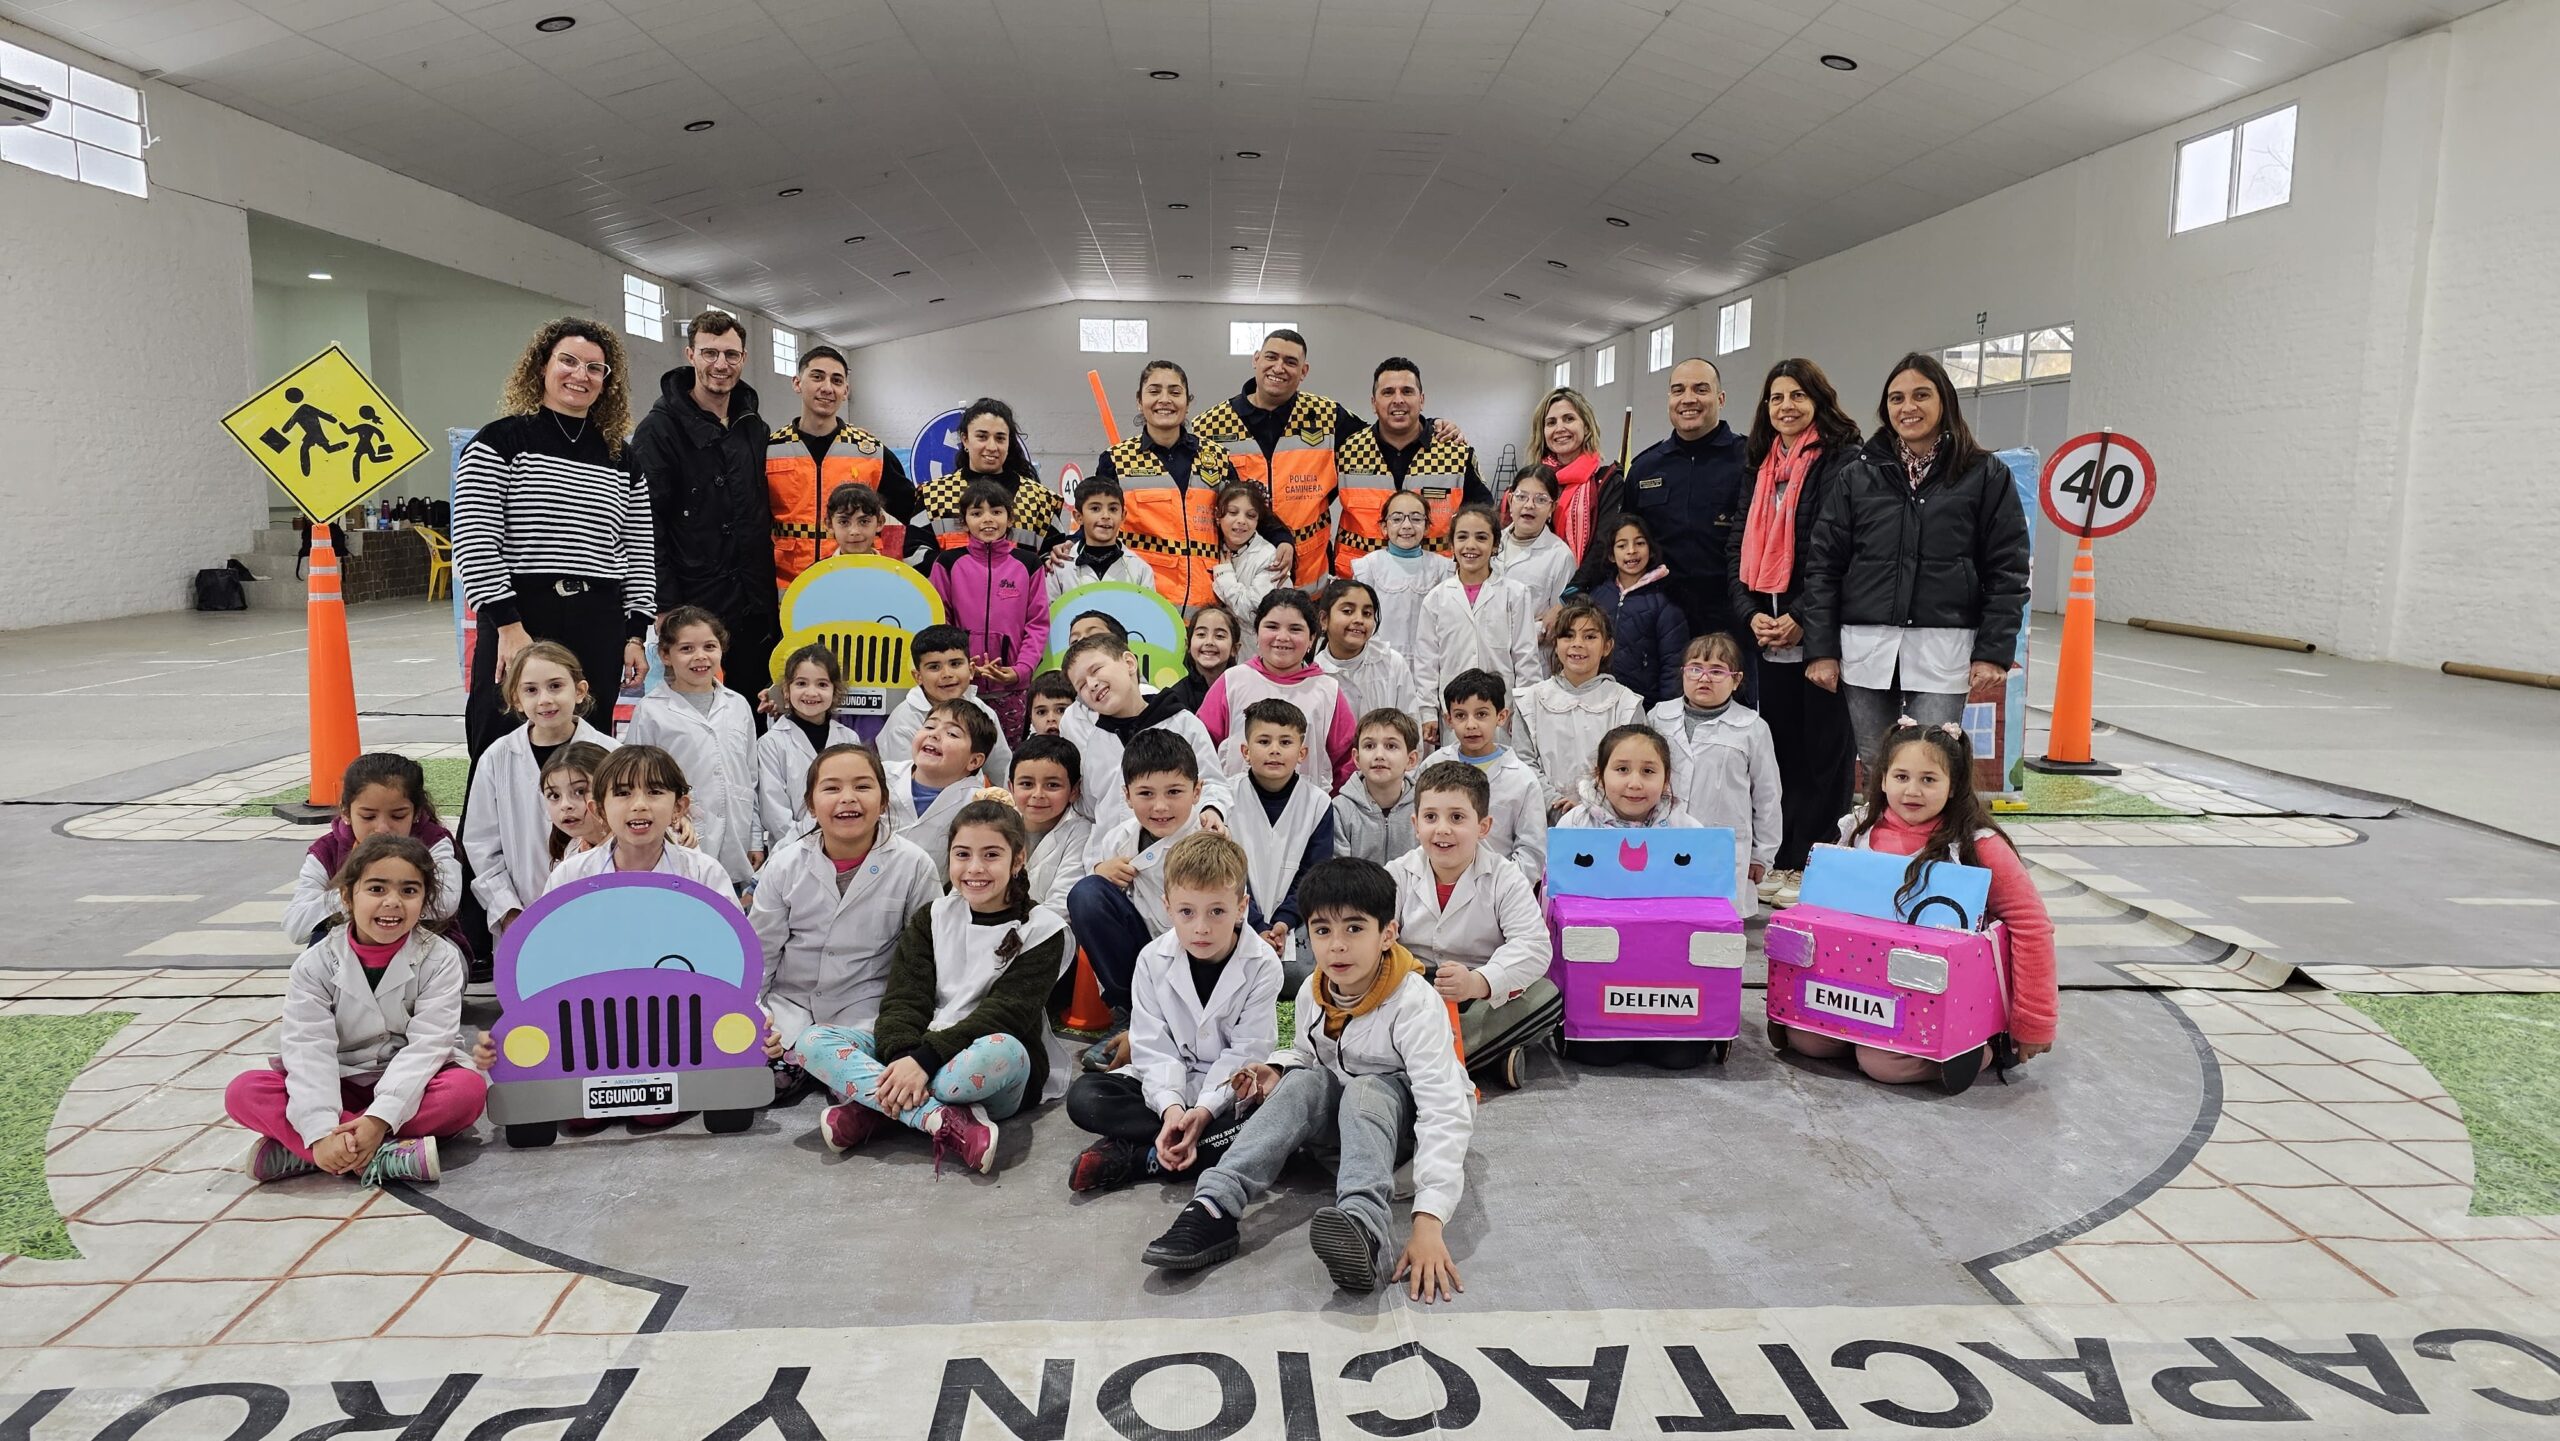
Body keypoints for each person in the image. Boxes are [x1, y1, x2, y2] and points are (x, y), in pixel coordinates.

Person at [1141, 857, 1470, 1301]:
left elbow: (1444, 1110)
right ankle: (1213, 1207)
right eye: (1322, 931)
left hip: (1401, 1142)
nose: (1337, 947)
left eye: (1354, 929)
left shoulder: (1415, 1004)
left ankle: (1363, 1226)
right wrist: (1274, 1069)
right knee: (1303, 1081)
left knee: (1366, 1087)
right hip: (1340, 1141)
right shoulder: (1314, 990)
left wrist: (1429, 1221)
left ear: (1387, 934)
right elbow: (1304, 1053)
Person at [802, 794, 1069, 1173]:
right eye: (962, 854)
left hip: (985, 1066)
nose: (974, 868)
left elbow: (1006, 1015)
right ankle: (939, 1120)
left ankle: (876, 1108)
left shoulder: (1044, 930)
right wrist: (901, 1060)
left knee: (999, 1050)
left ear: (1018, 859)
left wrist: (923, 1063)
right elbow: (903, 998)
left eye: (991, 855)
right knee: (811, 1042)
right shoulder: (933, 916)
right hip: (918, 1052)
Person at [1789, 721, 2056, 1084]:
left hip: (1943, 994)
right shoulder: (1857, 831)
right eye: (1901, 776)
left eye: (1929, 779)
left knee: (1883, 1065)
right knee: (1807, 1039)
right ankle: (1863, 1038)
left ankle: (1985, 1047)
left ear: (1954, 786)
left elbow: (2031, 925)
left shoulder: (1978, 845)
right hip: (1861, 984)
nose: (1912, 791)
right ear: (1882, 779)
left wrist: (2033, 1021)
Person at [1802, 352, 2033, 771]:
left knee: (1932, 766)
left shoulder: (1984, 474)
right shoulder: (1857, 475)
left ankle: (1936, 841)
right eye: (1896, 398)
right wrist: (1821, 649)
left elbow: (2008, 570)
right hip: (1865, 650)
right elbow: (1824, 566)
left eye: (1921, 395)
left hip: (1944, 650)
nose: (1908, 408)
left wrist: (1992, 652)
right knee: (1878, 766)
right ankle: (1882, 839)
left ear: (1944, 400)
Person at [227, 834, 483, 1186]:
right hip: (338, 1080)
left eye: (409, 891)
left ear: (425, 901)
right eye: (376, 889)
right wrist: (319, 1132)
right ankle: (366, 1153)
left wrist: (378, 1119)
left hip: (412, 1083)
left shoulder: (440, 959)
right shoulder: (314, 965)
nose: (392, 902)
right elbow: (307, 1050)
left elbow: (428, 1047)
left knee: (466, 1091)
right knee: (244, 1091)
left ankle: (309, 1152)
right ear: (347, 896)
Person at [453, 317, 652, 758]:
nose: (581, 375)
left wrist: (634, 634)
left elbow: (638, 550)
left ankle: (584, 831)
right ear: (543, 366)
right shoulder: (500, 441)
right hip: (521, 615)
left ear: (606, 381)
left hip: (598, 618)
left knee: (587, 750)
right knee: (503, 743)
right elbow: (474, 539)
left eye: (595, 368)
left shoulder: (622, 458)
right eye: (569, 361)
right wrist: (507, 626)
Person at [1065, 832, 1283, 1194]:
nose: (1201, 927)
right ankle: (1186, 1143)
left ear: (1241, 907)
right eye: (1186, 911)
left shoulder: (1263, 965)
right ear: (1167, 906)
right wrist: (1172, 1111)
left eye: (1217, 911)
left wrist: (1205, 1111)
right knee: (1085, 1097)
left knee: (1270, 1118)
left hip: (1228, 1093)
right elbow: (1152, 1048)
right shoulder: (1151, 959)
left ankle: (1140, 1158)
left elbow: (1249, 1052)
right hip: (1167, 1088)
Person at [1730, 359, 1863, 904]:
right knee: (1781, 747)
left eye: (1797, 396)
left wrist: (1803, 617)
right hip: (1769, 632)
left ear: (1819, 400)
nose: (1785, 406)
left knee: (1826, 750)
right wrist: (1749, 613)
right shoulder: (1759, 465)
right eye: (1776, 396)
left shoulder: (1843, 461)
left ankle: (1816, 858)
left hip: (1820, 632)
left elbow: (1843, 552)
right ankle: (1784, 858)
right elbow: (1736, 546)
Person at [751, 743, 943, 1107]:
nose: (848, 798)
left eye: (863, 786)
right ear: (810, 804)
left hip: (865, 1008)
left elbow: (925, 959)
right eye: (832, 787)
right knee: (760, 1085)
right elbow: (760, 951)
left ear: (884, 800)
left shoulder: (914, 865)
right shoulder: (785, 864)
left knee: (852, 1092)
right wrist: (756, 1016)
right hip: (790, 1004)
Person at [1572, 358, 1753, 698]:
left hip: (1729, 616)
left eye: (1701, 389)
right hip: (1660, 619)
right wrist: (1576, 593)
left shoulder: (1748, 460)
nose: (1688, 399)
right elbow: (1619, 541)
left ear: (1721, 398)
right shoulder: (1645, 467)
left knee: (1730, 716)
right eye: (1678, 390)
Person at [631, 310, 776, 715]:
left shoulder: (754, 426)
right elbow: (646, 522)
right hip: (693, 602)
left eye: (731, 354)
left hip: (754, 603)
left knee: (752, 712)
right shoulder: (657, 431)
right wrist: (665, 602)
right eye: (710, 353)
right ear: (690, 354)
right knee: (691, 712)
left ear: (743, 358)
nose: (720, 365)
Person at [1390, 760, 1556, 1087]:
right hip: (1416, 987)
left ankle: (1421, 1065)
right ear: (1415, 824)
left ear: (1483, 826)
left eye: (1457, 818)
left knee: (1547, 996)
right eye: (1430, 817)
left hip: (1480, 991)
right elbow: (1375, 939)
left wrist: (1477, 982)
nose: (1442, 829)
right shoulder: (1397, 873)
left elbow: (1534, 946)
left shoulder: (1505, 876)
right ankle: (1485, 1060)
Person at [1083, 361, 1289, 610]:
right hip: (1145, 604)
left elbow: (1244, 507)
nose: (1165, 399)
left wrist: (1282, 539)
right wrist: (1067, 546)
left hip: (1208, 609)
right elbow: (1097, 520)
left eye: (1175, 392)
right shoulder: (1117, 460)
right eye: (1154, 391)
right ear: (1139, 400)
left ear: (1188, 402)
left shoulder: (1216, 458)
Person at [1064, 730, 1223, 1049]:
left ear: (1197, 792)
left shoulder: (1213, 841)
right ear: (1126, 795)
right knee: (1087, 894)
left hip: (1200, 960)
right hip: (1143, 956)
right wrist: (1102, 871)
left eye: (1175, 791)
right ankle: (1131, 1013)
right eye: (1146, 793)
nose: (1160, 806)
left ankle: (1178, 1023)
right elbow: (1102, 905)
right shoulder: (1119, 838)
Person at [463, 643, 617, 938]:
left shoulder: (612, 754)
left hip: (604, 913)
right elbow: (482, 845)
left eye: (556, 686)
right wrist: (509, 912)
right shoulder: (497, 757)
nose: (545, 699)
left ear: (580, 690)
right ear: (516, 700)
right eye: (531, 690)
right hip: (524, 914)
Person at [618, 606, 757, 884]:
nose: (700, 657)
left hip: (737, 842)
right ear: (665, 655)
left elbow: (750, 777)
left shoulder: (738, 705)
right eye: (687, 649)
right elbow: (636, 780)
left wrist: (755, 838)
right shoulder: (651, 711)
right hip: (678, 837)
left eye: (709, 646)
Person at [1649, 633, 1781, 918]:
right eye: (1695, 668)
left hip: (1724, 848)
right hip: (1665, 840)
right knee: (1663, 922)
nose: (1704, 678)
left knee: (1716, 931)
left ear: (1736, 680)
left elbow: (1768, 796)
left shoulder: (1752, 727)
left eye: (1717, 671)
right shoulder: (1659, 717)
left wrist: (1762, 855)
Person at [764, 345, 919, 585]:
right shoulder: (770, 450)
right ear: (797, 383)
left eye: (836, 380)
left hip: (857, 583)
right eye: (817, 377)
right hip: (787, 589)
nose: (827, 388)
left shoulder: (871, 451)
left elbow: (913, 510)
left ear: (845, 390)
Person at [1059, 631, 1233, 837]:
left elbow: (1212, 781)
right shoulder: (1095, 743)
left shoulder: (1183, 723)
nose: (1091, 684)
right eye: (1081, 685)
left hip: (1181, 854)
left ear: (1129, 663)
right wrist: (1099, 863)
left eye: (1096, 670)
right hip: (1118, 862)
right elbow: (1094, 811)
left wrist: (1211, 809)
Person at [1329, 357, 1488, 576]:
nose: (1398, 400)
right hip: (1361, 585)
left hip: (1434, 585)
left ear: (1421, 400)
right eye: (1387, 392)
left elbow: (1484, 518)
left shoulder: (1455, 454)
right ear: (1373, 402)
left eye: (1407, 391)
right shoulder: (1347, 451)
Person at [283, 754, 461, 946]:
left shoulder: (433, 842)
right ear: (346, 812)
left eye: (398, 816)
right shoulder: (326, 851)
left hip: (424, 951)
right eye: (368, 817)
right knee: (321, 945)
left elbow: (445, 903)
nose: (382, 828)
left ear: (416, 813)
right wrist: (355, 897)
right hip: (348, 953)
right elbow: (296, 926)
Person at [926, 478, 1050, 742]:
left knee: (1007, 763)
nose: (987, 519)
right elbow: (940, 624)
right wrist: (958, 665)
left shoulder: (1028, 564)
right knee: (961, 757)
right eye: (976, 512)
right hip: (960, 688)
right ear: (964, 519)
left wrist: (1021, 670)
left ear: (1009, 517)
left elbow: (1037, 624)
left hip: (1012, 689)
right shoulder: (948, 563)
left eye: (996, 511)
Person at [1199, 591, 1357, 789]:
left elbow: (1347, 762)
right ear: (1257, 633)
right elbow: (1201, 749)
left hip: (1305, 812)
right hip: (1234, 809)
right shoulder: (1232, 681)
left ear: (1312, 639)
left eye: (1295, 629)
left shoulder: (1328, 691)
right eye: (1272, 627)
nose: (1282, 637)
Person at [1413, 506, 1541, 750]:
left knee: (1500, 774)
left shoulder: (1514, 594)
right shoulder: (1436, 599)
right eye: (1462, 537)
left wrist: (1526, 711)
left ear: (1495, 545)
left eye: (1481, 537)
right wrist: (1428, 712)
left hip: (1502, 712)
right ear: (1451, 543)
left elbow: (1526, 658)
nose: (1470, 545)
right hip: (1453, 712)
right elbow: (1426, 664)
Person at [545, 744, 738, 896]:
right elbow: (545, 941)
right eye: (623, 793)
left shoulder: (704, 874)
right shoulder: (569, 876)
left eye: (654, 791)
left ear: (678, 808)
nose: (639, 805)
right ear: (600, 810)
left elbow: (730, 940)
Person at [1228, 698, 1336, 970]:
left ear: (1302, 753)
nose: (1274, 750)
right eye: (1264, 742)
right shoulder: (1225, 798)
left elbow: (1314, 873)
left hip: (1293, 918)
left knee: (1297, 975)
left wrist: (1284, 921)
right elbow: (1224, 872)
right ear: (1245, 751)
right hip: (1235, 914)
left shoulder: (1318, 803)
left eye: (1285, 743)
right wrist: (1255, 923)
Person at [1513, 600, 1643, 819]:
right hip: (1542, 819)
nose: (1578, 644)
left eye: (1590, 637)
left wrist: (1591, 805)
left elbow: (1632, 764)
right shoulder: (1530, 701)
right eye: (1568, 636)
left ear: (1607, 646)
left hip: (1607, 819)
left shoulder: (1626, 704)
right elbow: (1523, 762)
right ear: (1556, 644)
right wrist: (1554, 803)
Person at [1419, 669, 1547, 880]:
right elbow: (1419, 833)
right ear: (1448, 719)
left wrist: (1499, 887)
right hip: (1439, 883)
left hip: (1500, 891)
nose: (1471, 725)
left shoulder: (1522, 779)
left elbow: (1531, 851)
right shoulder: (1432, 766)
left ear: (1501, 716)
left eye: (1481, 714)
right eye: (1460, 715)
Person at [913, 397, 1059, 564]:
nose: (991, 447)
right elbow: (913, 555)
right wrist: (961, 576)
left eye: (1000, 438)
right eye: (982, 437)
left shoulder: (1041, 500)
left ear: (1009, 442)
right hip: (947, 590)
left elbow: (1055, 559)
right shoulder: (932, 496)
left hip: (1021, 591)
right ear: (965, 439)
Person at [876, 624, 1012, 786]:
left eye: (955, 664)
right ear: (918, 676)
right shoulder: (903, 724)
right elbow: (904, 787)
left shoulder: (983, 711)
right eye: (934, 667)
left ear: (971, 670)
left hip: (973, 804)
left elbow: (1001, 768)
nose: (947, 674)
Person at [756, 643, 858, 856]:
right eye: (801, 683)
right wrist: (815, 841)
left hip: (845, 848)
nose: (811, 693)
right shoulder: (771, 743)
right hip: (791, 852)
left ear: (835, 690)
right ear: (786, 690)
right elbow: (775, 814)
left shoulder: (849, 738)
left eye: (822, 684)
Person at [1587, 514, 1690, 708]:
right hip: (1598, 702)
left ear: (1651, 550)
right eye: (1622, 545)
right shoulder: (1598, 596)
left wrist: (1666, 712)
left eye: (1640, 543)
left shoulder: (1665, 600)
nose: (1631, 551)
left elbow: (1673, 664)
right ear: (1611, 554)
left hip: (1645, 704)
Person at [1350, 489, 1453, 664]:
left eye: (1416, 518)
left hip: (1427, 663)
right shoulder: (1367, 568)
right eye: (1397, 519)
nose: (1406, 526)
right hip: (1378, 662)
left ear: (1427, 526)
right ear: (1384, 526)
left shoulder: (1442, 569)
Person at [886, 699, 995, 862]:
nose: (934, 734)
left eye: (952, 733)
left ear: (974, 761)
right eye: (929, 726)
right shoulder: (881, 776)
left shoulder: (979, 804)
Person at [1522, 386, 1618, 572]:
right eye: (1551, 422)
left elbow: (1603, 546)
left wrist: (1572, 592)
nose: (1560, 428)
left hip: (1584, 592)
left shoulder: (1606, 481)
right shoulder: (1531, 483)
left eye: (1569, 419)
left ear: (1586, 426)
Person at [1009, 735, 1090, 925]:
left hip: (1046, 937)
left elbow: (1062, 905)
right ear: (1011, 787)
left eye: (1052, 785)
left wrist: (1016, 934)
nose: (1038, 795)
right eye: (1026, 784)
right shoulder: (997, 825)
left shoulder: (1081, 833)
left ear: (1074, 791)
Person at [1558, 725, 1704, 830]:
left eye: (1648, 771)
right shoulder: (1574, 825)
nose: (1635, 784)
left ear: (1666, 780)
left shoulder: (1688, 830)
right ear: (1600, 776)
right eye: (1622, 769)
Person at [1312, 578, 1414, 724]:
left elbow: (1410, 725)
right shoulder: (1315, 675)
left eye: (1367, 613)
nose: (1359, 619)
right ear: (1324, 619)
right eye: (1348, 611)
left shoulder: (1392, 663)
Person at [1333, 708, 1419, 867]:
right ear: (1357, 758)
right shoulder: (1340, 810)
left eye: (1391, 746)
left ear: (1411, 759)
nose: (1379, 755)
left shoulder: (1423, 808)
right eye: (1369, 746)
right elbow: (1339, 874)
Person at [1048, 476, 1155, 601]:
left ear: (1123, 515)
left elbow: (1147, 616)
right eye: (1095, 509)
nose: (1106, 516)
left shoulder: (1139, 570)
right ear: (1078, 516)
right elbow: (1051, 616)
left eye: (1113, 509)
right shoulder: (1059, 567)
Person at [1495, 465, 1575, 623]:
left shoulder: (1561, 556)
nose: (1529, 505)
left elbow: (1557, 620)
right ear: (1511, 500)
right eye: (1521, 496)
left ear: (1552, 508)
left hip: (1531, 645)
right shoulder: (1492, 542)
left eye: (1541, 500)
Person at [1210, 481, 1283, 642]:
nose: (1241, 521)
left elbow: (1253, 611)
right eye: (1233, 512)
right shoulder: (1210, 547)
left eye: (1250, 515)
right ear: (1217, 516)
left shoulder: (1269, 556)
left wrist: (1225, 576)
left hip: (1257, 653)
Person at [539, 741, 612, 864]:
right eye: (555, 795)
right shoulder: (571, 850)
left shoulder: (636, 850)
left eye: (580, 791)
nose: (565, 805)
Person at [1161, 601, 1238, 715]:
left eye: (1219, 636)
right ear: (1188, 644)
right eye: (1201, 634)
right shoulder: (1175, 698)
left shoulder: (1243, 691)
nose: (1209, 642)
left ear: (1234, 649)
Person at [823, 482, 897, 562]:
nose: (854, 531)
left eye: (864, 521)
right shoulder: (818, 573)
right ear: (829, 525)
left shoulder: (893, 572)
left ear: (879, 522)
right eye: (844, 522)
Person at [1024, 670, 1076, 737]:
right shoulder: (1028, 747)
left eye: (1061, 710)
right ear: (1031, 719)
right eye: (1041, 712)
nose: (1051, 718)